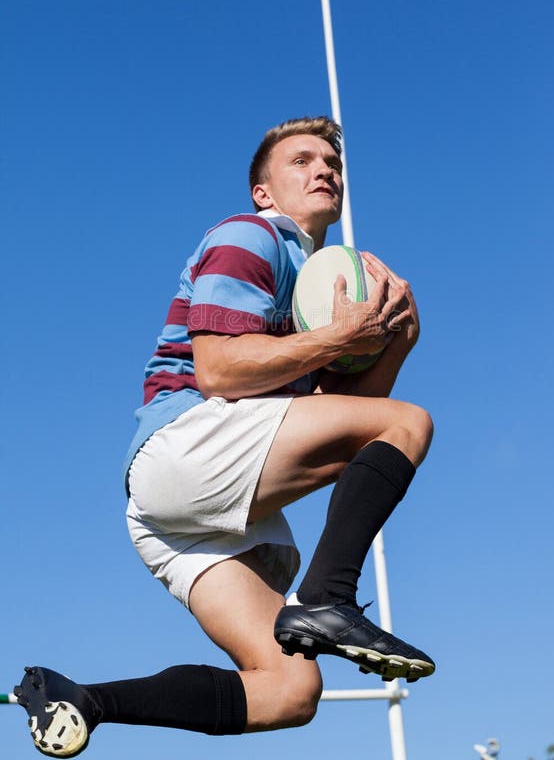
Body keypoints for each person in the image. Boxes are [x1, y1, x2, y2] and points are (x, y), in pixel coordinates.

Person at [15, 116, 435, 757]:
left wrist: (395, 345)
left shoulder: (321, 284)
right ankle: (330, 598)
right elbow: (218, 368)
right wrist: (335, 340)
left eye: (332, 164)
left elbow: (341, 425)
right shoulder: (250, 235)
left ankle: (83, 698)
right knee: (409, 423)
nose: (325, 170)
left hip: (173, 515)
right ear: (263, 192)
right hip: (183, 446)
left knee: (291, 690)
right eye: (301, 161)